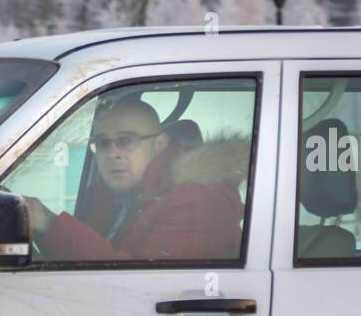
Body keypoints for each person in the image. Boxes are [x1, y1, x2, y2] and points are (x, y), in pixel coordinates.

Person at [23, 97, 249, 262]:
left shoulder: (195, 201)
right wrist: (40, 230)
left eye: (126, 141)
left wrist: (49, 222)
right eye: (103, 143)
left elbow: (134, 284)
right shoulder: (110, 196)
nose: (113, 153)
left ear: (160, 144)